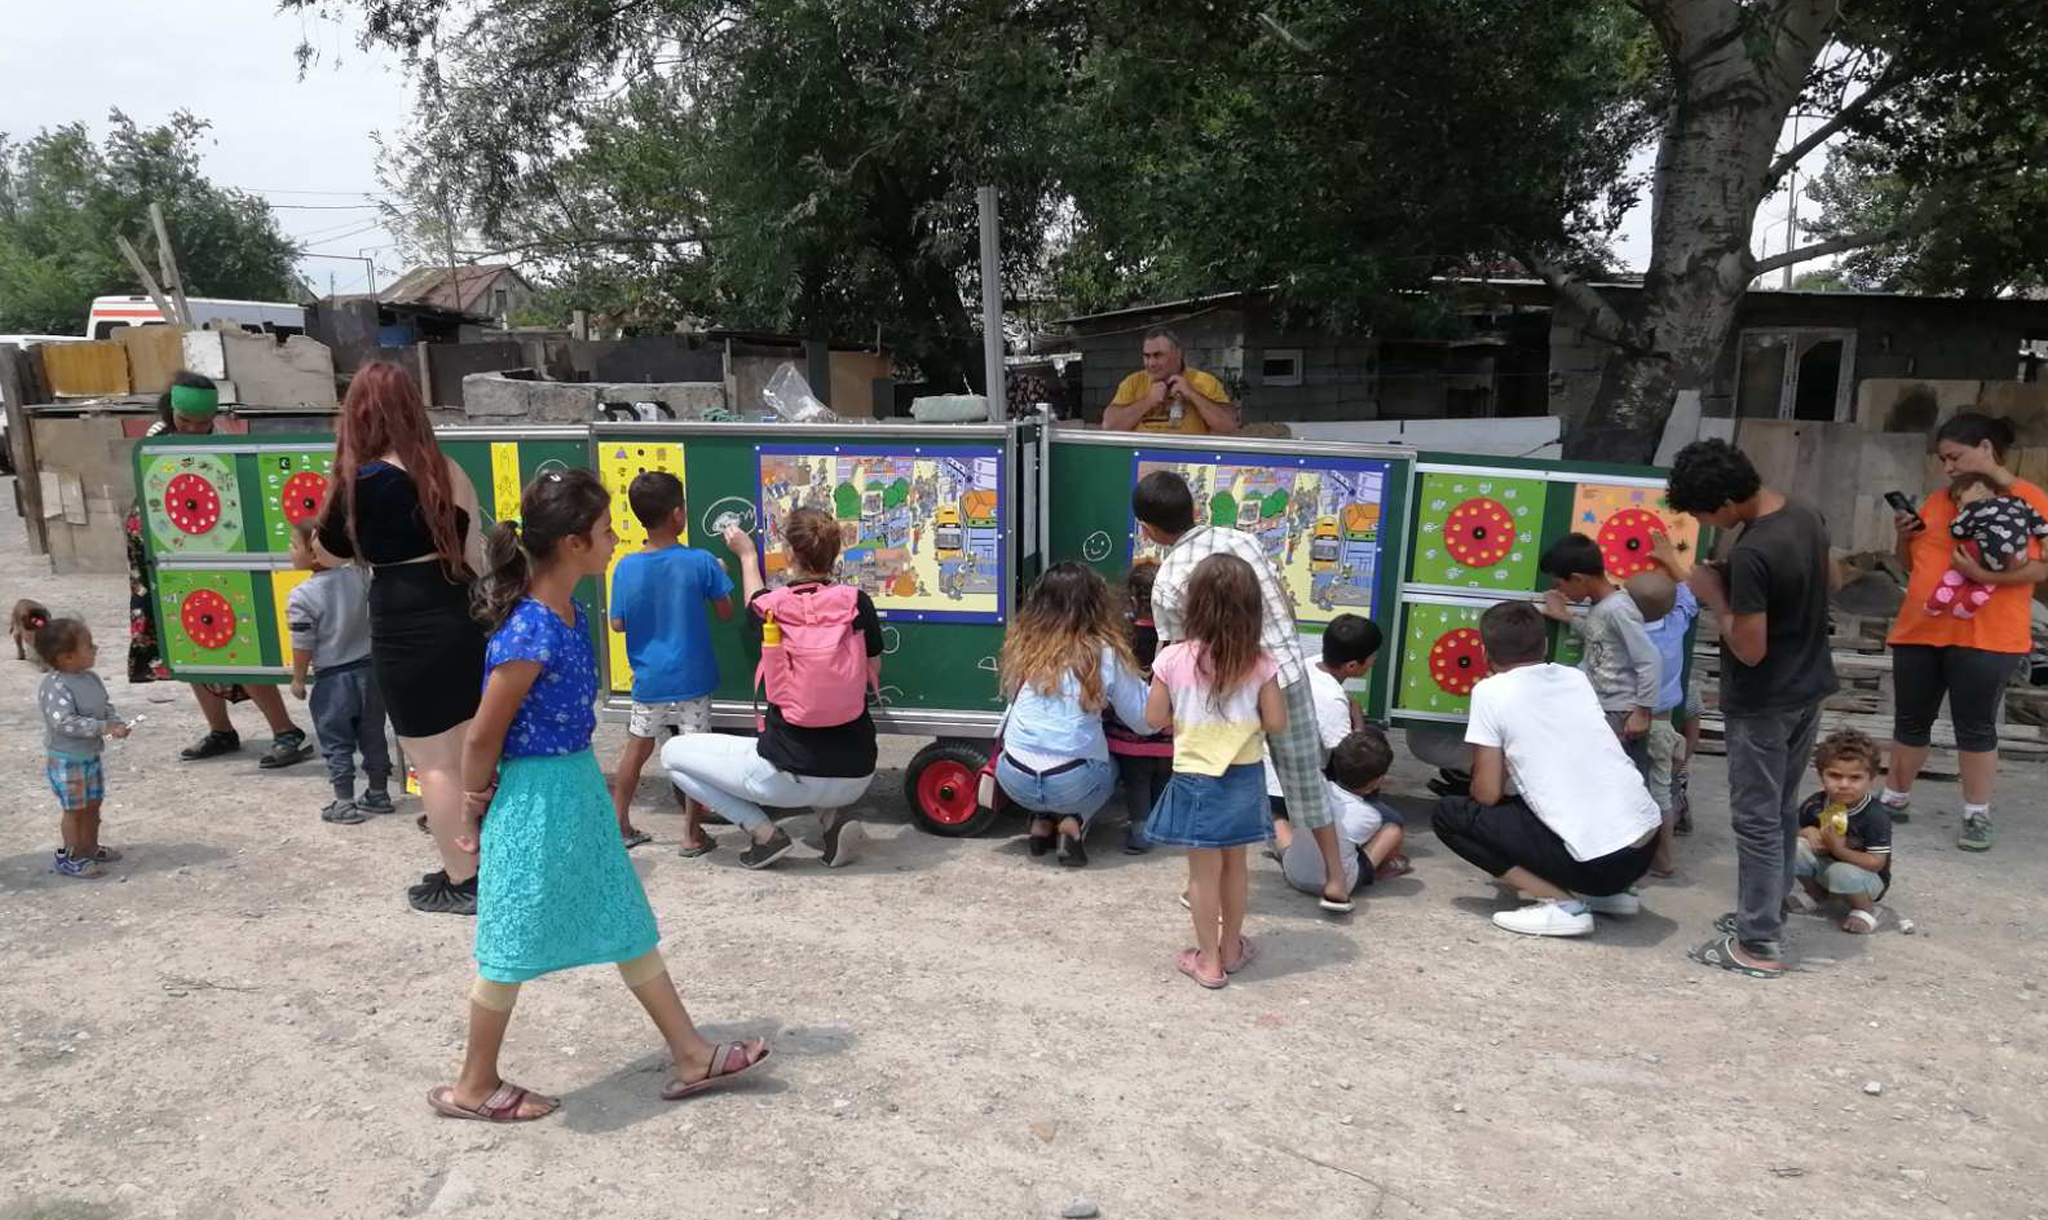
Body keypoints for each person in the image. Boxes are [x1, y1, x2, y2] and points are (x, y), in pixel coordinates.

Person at [432, 468, 768, 1122]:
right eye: (607, 530)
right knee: (510, 942)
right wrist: (476, 801)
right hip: (535, 800)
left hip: (574, 788)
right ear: (574, 543)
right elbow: (481, 736)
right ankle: (473, 1085)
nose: (616, 538)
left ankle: (690, 1051)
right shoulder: (530, 629)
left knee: (623, 918)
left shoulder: (565, 609)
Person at [1134, 470, 1353, 913]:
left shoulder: (1168, 579)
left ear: (1147, 529)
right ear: (1195, 510)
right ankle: (1336, 879)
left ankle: (1200, 884)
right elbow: (1283, 602)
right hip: (1284, 672)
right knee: (1305, 779)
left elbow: (1181, 657)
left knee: (1211, 785)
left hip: (1223, 698)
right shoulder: (1243, 540)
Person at [316, 362, 489, 915]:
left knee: (432, 762)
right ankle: (478, 860)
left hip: (401, 616)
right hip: (458, 612)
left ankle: (464, 876)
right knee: (465, 754)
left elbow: (329, 553)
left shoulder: (357, 481)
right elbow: (474, 556)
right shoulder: (446, 469)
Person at [1665, 438, 1838, 979]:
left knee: (1758, 819)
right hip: (1807, 686)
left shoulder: (1754, 552)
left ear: (1724, 501)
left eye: (1700, 512)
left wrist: (1714, 593)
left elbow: (1750, 648)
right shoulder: (1803, 515)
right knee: (1781, 808)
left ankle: (1759, 944)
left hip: (1765, 701)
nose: (1699, 520)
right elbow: (1827, 581)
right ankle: (1769, 906)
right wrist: (1738, 583)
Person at [662, 507, 881, 870]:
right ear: (835, 552)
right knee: (811, 751)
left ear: (790, 554)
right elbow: (873, 669)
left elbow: (753, 601)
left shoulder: (771, 608)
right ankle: (832, 821)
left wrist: (747, 555)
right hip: (857, 772)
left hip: (790, 775)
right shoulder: (858, 603)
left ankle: (765, 834)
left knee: (672, 755)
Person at [1430, 601, 1660, 938]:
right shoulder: (1574, 678)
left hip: (1602, 864)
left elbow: (1487, 793)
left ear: (1484, 653)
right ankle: (1612, 897)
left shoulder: (1489, 693)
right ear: (1546, 645)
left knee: (1452, 815)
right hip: (1643, 847)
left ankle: (1564, 906)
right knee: (1541, 801)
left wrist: (1502, 758)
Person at [126, 369, 313, 768]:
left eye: (202, 422)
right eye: (186, 420)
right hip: (164, 562)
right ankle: (221, 730)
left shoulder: (225, 451)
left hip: (218, 559)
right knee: (187, 644)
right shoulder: (154, 445)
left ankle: (285, 731)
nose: (194, 428)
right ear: (172, 411)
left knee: (234, 644)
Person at [1884, 413, 2048, 853]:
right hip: (1920, 629)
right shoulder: (1939, 500)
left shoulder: (2031, 498)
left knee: (1974, 727)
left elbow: (2043, 565)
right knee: (1910, 721)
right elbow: (1909, 562)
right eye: (1943, 460)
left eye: (1955, 456)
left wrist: (1979, 573)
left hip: (1988, 635)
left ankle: (1977, 814)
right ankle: (1894, 798)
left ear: (1987, 449)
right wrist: (1902, 537)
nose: (1949, 468)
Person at [1140, 553, 1285, 988]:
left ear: (1194, 605)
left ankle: (1207, 961)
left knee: (1203, 874)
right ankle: (1232, 948)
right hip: (1244, 776)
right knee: (1236, 866)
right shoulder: (1261, 661)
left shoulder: (1172, 659)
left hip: (1195, 776)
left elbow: (1153, 718)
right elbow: (1276, 723)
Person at [604, 472, 734, 854]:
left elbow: (617, 623)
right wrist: (721, 575)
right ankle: (692, 835)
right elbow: (725, 613)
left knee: (637, 748)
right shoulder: (701, 562)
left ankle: (621, 824)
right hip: (693, 678)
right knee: (696, 757)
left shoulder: (625, 567)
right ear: (678, 514)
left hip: (650, 679)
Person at [996, 563, 1154, 867]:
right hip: (1074, 783)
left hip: (1013, 776)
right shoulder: (1104, 651)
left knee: (1053, 759)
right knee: (1112, 765)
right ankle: (1073, 824)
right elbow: (1143, 722)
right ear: (1096, 604)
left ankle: (1041, 824)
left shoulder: (1023, 645)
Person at [286, 521, 392, 826]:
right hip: (370, 673)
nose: (289, 551)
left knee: (336, 741)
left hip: (333, 680)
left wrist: (297, 678)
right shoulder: (359, 576)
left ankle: (344, 802)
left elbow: (302, 642)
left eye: (294, 545)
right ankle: (378, 793)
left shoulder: (302, 596)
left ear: (316, 554)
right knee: (373, 735)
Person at [1537, 532, 1659, 766]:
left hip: (1622, 713)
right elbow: (1601, 637)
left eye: (1560, 584)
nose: (1561, 592)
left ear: (1578, 578)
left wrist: (1642, 712)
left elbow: (1650, 659)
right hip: (1605, 708)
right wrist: (1567, 618)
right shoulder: (1602, 606)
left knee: (1618, 776)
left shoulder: (1618, 609)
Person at [1265, 613, 1379, 855]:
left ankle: (1278, 826)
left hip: (1268, 775)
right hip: (1292, 787)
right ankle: (1292, 850)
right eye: (1372, 657)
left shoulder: (1309, 664)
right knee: (1386, 817)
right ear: (1352, 666)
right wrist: (1357, 718)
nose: (1374, 661)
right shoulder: (1332, 698)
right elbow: (1351, 757)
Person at [35, 619, 131, 878]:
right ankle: (71, 856)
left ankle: (89, 847)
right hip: (67, 760)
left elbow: (104, 705)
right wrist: (103, 728)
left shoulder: (90, 678)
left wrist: (114, 722)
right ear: (66, 657)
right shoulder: (55, 685)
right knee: (74, 810)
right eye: (88, 646)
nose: (96, 648)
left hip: (90, 756)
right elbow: (63, 723)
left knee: (92, 804)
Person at [1624, 562, 1698, 878]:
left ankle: (1626, 856)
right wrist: (1671, 560)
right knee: (1661, 793)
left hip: (1630, 723)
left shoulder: (1628, 637)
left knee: (1627, 791)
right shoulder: (1677, 624)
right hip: (1665, 725)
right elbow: (1689, 596)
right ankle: (1665, 860)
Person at [1280, 727, 1408, 899]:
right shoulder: (1370, 815)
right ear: (1376, 782)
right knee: (1393, 830)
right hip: (1338, 881)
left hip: (1294, 873)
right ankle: (1387, 866)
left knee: (1279, 823)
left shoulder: (1316, 791)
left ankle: (1279, 850)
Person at [1793, 729, 1892, 936]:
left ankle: (1866, 909)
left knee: (1840, 871)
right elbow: (1790, 828)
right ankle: (1816, 894)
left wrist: (1839, 849)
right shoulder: (1816, 803)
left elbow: (1877, 862)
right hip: (1827, 866)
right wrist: (1808, 831)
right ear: (1821, 774)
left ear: (1871, 778)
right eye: (1835, 776)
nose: (1844, 785)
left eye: (1855, 778)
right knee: (1792, 847)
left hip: (1866, 878)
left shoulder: (1874, 815)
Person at [1107, 559, 1172, 854]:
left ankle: (1140, 831)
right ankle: (1159, 827)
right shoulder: (1176, 637)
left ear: (1132, 597)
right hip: (1170, 732)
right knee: (1163, 778)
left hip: (1130, 737)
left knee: (1136, 783)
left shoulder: (1120, 636)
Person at [1924, 474, 2048, 619]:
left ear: (1978, 487)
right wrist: (2044, 541)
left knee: (1961, 559)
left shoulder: (1974, 507)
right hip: (2016, 559)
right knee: (1995, 572)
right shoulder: (2018, 502)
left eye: (1959, 498)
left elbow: (1957, 531)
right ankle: (1972, 602)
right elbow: (2040, 524)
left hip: (1984, 550)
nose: (1958, 505)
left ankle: (1937, 602)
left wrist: (1960, 518)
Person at [1100, 329, 1240, 435]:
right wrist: (1148, 401)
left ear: (1178, 354)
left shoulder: (1204, 382)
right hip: (1143, 463)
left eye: (1158, 355)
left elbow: (1230, 425)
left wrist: (1192, 394)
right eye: (1147, 356)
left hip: (1186, 464)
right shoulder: (1133, 382)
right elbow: (1109, 426)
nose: (1151, 363)